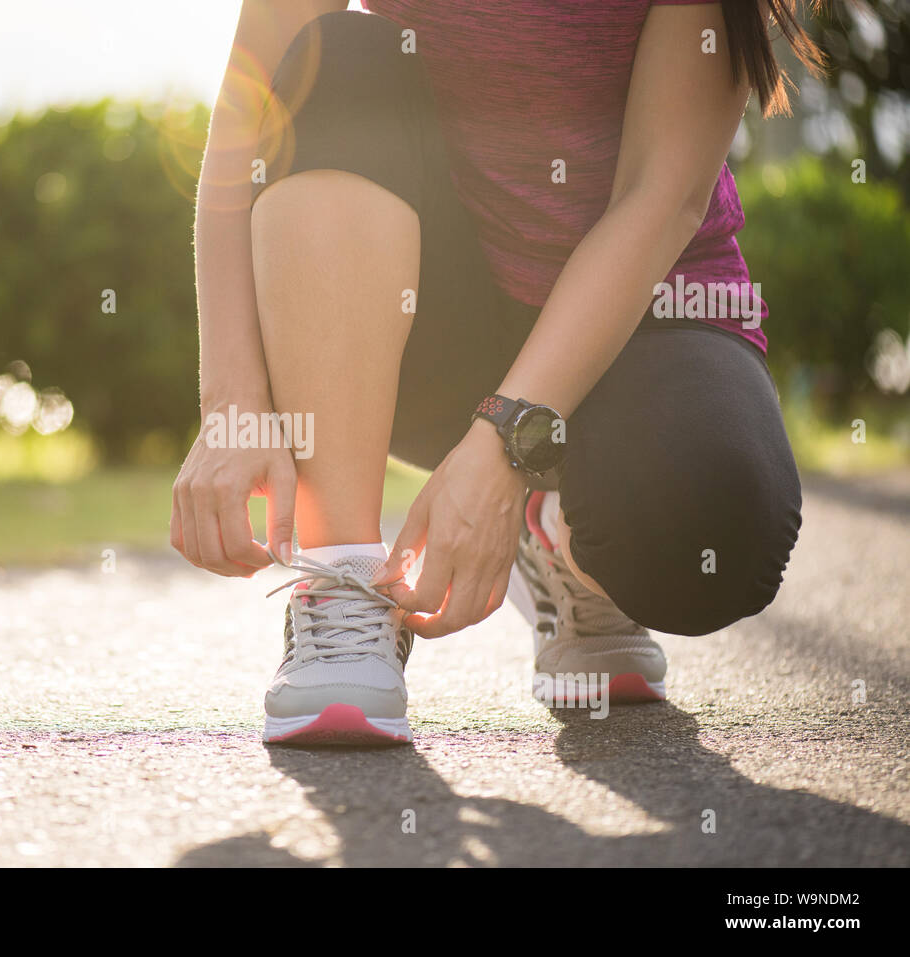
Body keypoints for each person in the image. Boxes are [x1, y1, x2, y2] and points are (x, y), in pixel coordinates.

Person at [171, 1, 819, 745]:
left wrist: (511, 443)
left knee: (712, 537)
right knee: (340, 56)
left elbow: (660, 195)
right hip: (428, 318)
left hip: (645, 310)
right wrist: (231, 406)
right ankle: (340, 579)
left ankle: (562, 537)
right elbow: (243, 127)